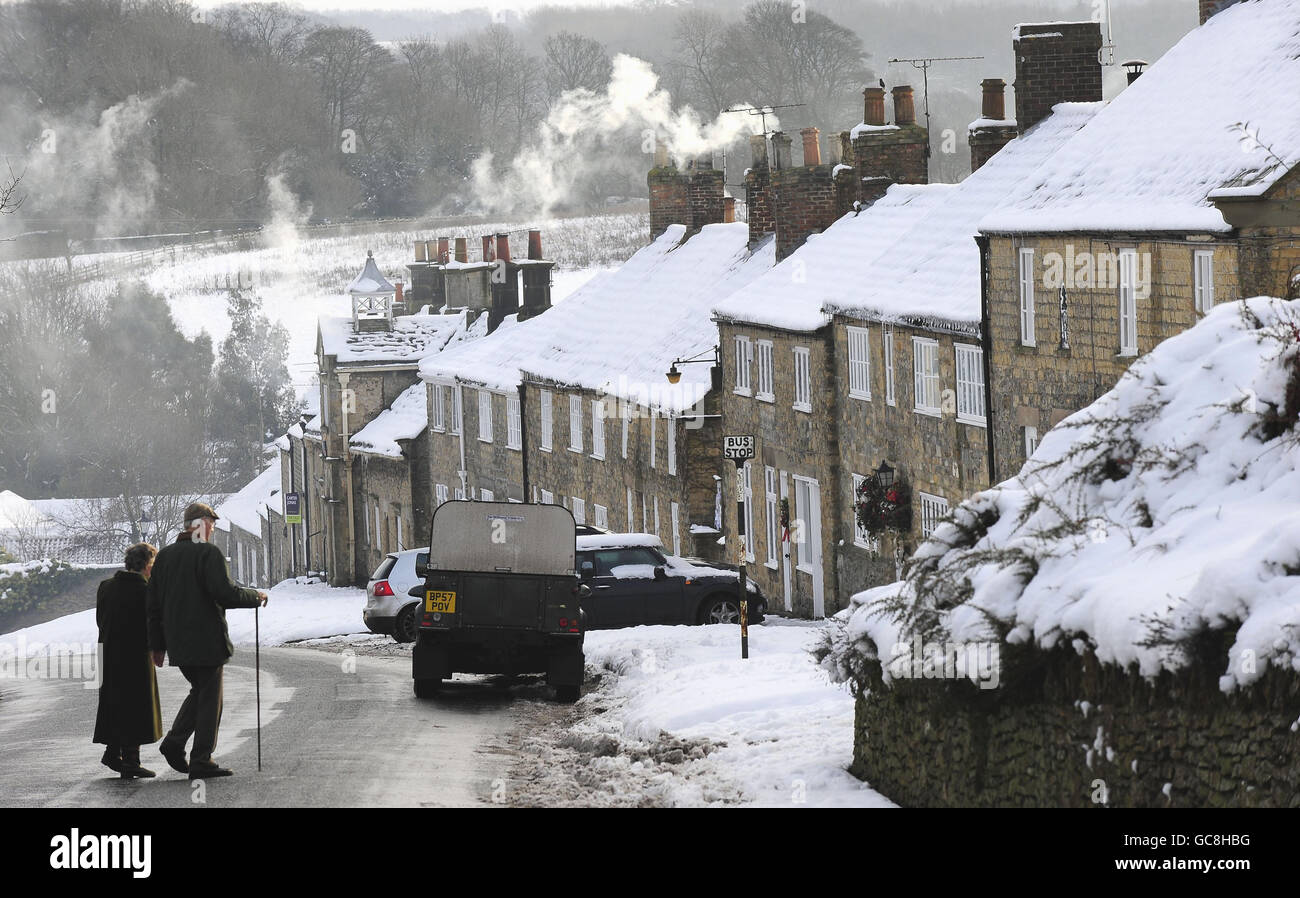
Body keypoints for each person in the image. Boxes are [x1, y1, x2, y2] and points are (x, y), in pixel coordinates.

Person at [146, 502, 267, 780]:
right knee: (211, 699)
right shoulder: (208, 553)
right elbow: (224, 593)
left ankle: (174, 743)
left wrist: (157, 645)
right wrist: (255, 597)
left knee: (199, 692)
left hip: (178, 643)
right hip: (207, 643)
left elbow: (152, 605)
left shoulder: (164, 557)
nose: (212, 528)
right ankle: (201, 758)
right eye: (210, 523)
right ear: (199, 524)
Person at [93, 542, 163, 779]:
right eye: (153, 564)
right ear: (146, 565)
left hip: (108, 653)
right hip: (135, 655)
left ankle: (113, 753)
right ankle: (131, 760)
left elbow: (100, 619)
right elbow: (152, 623)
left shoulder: (106, 587)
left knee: (115, 703)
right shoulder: (145, 590)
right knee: (136, 704)